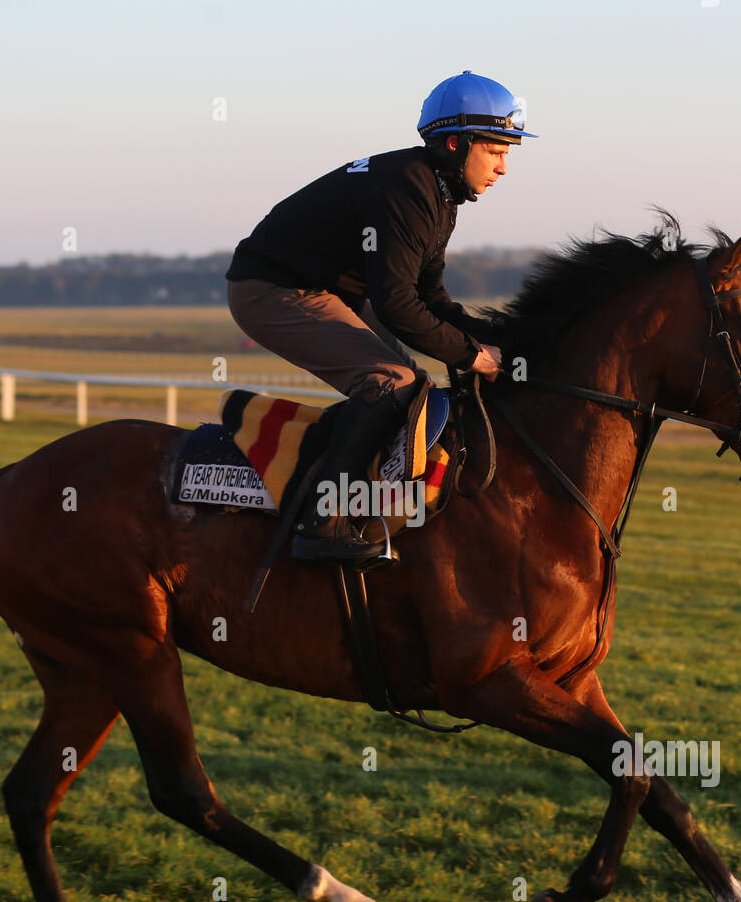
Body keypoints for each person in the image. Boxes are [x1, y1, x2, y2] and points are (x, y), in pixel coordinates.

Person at [225, 71, 537, 566]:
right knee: (392, 382)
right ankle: (321, 524)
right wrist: (474, 356)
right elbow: (396, 306)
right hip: (272, 290)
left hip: (327, 289)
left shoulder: (438, 191)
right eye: (497, 151)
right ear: (456, 144)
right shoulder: (409, 189)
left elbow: (430, 297)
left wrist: (507, 338)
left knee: (410, 383)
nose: (504, 167)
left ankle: (357, 488)